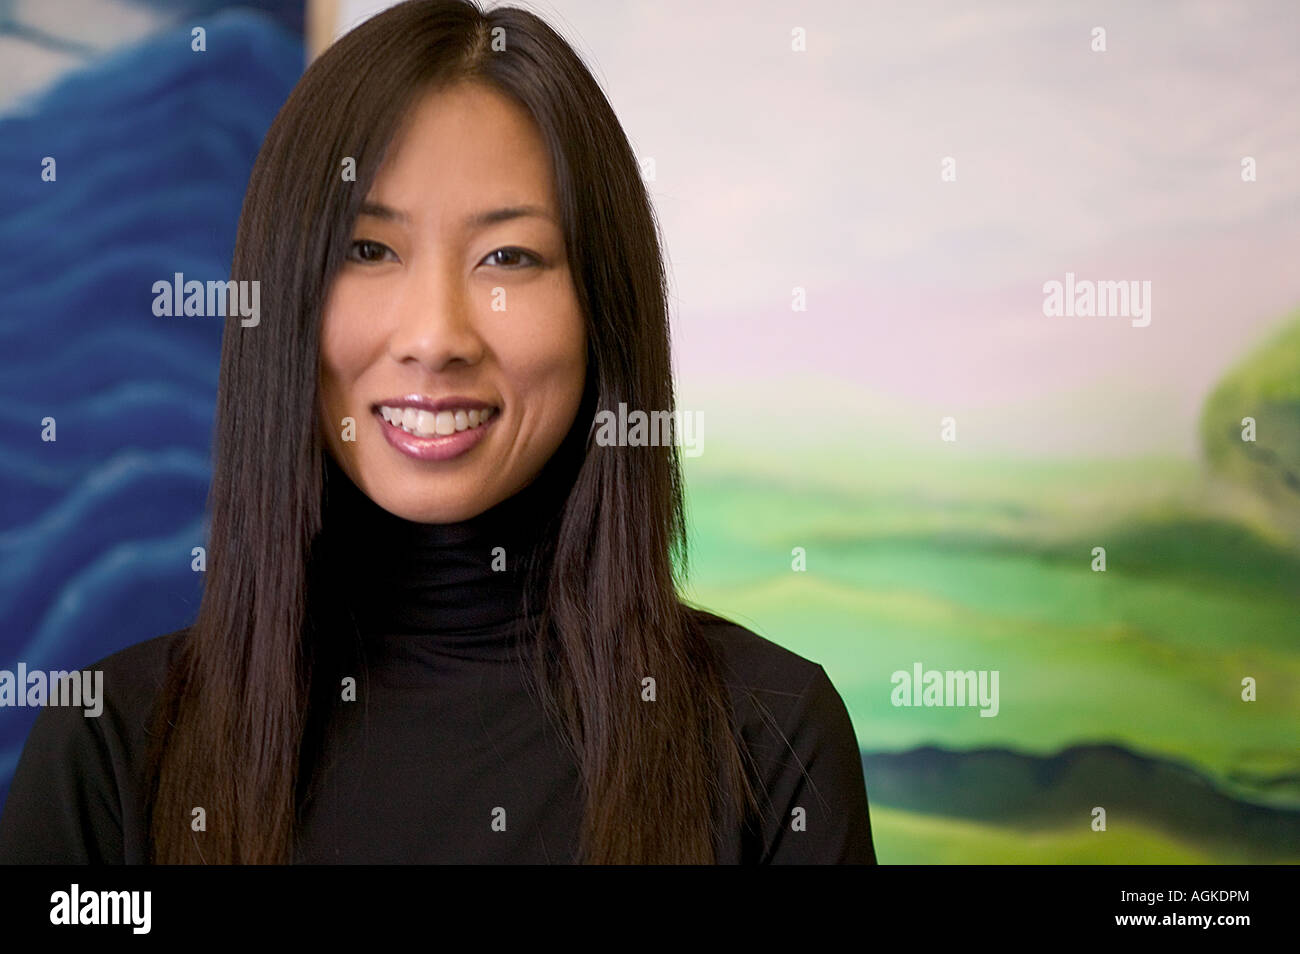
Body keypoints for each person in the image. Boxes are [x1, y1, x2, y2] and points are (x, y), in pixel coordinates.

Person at [0, 0, 874, 864]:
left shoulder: (772, 740)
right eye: (368, 249)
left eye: (510, 257)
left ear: (601, 309)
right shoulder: (110, 746)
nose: (435, 337)